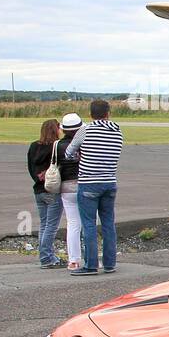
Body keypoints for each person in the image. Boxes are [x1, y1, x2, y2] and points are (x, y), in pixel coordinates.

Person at [65, 99, 124, 276]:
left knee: (89, 224)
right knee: (108, 223)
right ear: (108, 113)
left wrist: (80, 155)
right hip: (109, 181)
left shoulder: (86, 130)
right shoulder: (117, 131)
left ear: (91, 114)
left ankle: (91, 264)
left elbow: (69, 152)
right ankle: (109, 263)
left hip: (89, 182)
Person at [26, 119, 64, 268]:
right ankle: (46, 258)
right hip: (52, 190)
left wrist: (38, 179)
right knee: (51, 226)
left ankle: (47, 255)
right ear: (56, 130)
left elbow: (30, 166)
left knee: (44, 224)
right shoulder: (56, 146)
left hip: (38, 189)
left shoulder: (34, 146)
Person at [57, 113, 84, 270]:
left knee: (73, 223)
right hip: (83, 183)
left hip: (66, 185)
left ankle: (73, 260)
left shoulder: (57, 145)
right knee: (89, 223)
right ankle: (91, 258)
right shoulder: (84, 144)